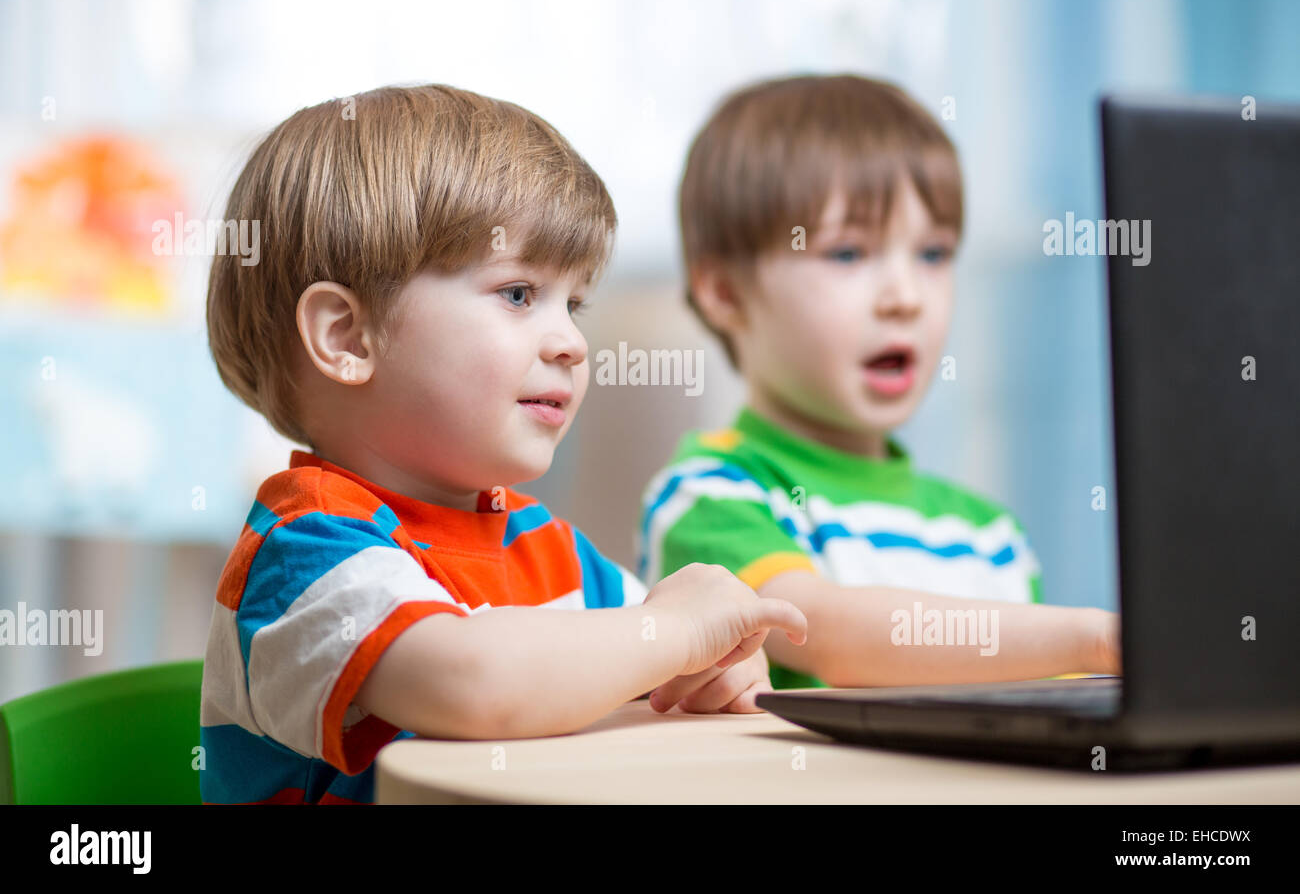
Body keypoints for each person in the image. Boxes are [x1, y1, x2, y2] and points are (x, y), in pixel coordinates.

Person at [199, 83, 806, 803]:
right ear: (347, 336)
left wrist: (715, 668)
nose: (574, 343)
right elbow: (475, 682)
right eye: (519, 293)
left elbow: (653, 666)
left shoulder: (549, 549)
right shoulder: (305, 554)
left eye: (573, 303)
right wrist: (673, 632)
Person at [638, 73, 1119, 690]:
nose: (906, 297)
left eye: (933, 253)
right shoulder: (708, 498)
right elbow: (826, 633)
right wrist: (1089, 641)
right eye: (848, 254)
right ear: (725, 292)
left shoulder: (989, 534)